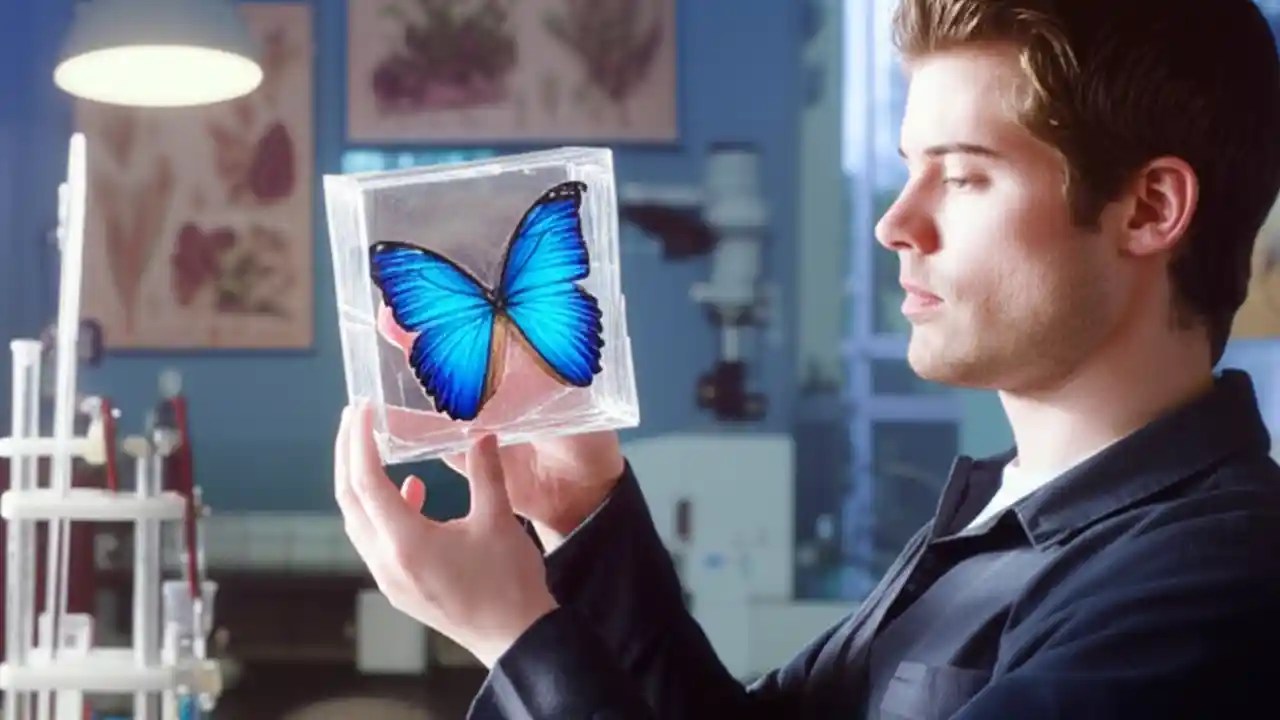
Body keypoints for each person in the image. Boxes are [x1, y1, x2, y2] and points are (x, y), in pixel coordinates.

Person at [332, 0, 1280, 717]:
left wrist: (516, 634)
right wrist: (583, 514)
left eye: (962, 175)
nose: (895, 223)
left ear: (1150, 209)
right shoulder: (995, 522)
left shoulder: (1218, 582)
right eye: (908, 168)